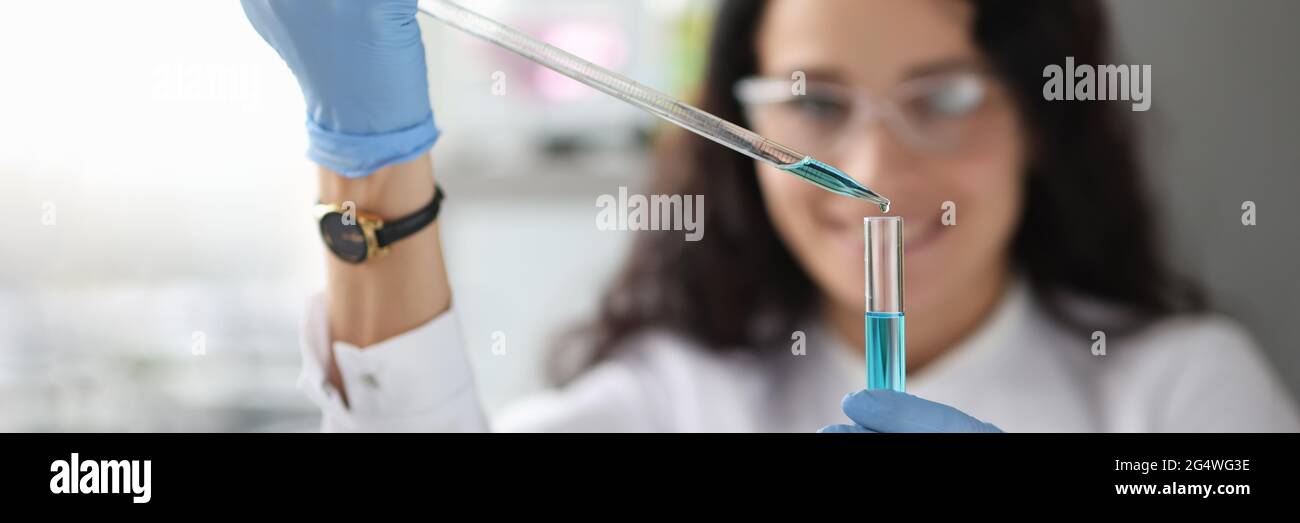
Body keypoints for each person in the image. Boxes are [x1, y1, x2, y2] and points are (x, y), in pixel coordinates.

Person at [241, 0, 1300, 432]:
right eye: (815, 101)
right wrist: (371, 160)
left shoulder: (1181, 390)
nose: (875, 166)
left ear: (1036, 121)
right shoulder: (677, 396)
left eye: (942, 96)